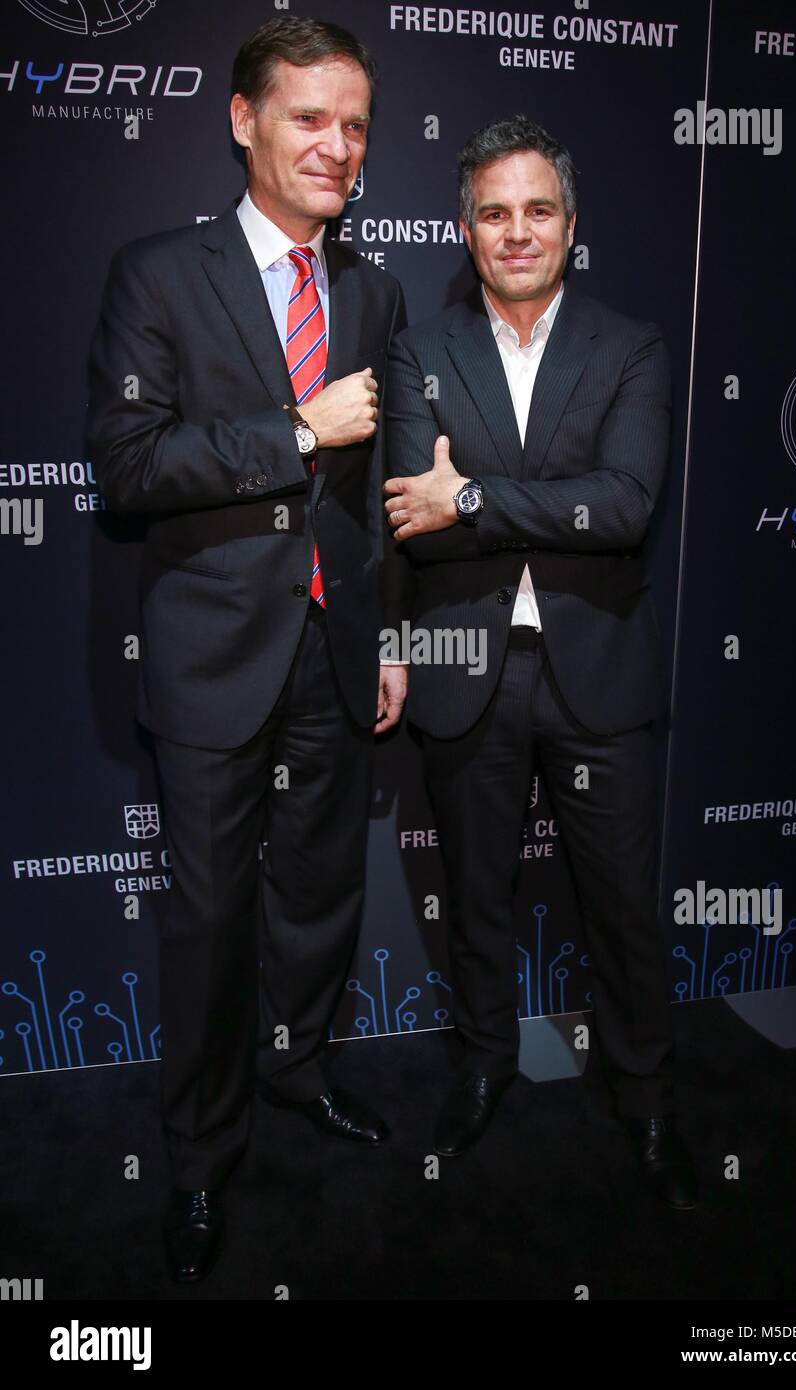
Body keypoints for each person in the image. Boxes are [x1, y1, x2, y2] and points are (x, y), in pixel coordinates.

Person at [86, 15, 409, 1282]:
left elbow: (372, 485)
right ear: (242, 120)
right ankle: (201, 1157)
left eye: (355, 128)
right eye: (309, 119)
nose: (337, 148)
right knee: (210, 925)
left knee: (320, 897)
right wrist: (291, 428)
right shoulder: (158, 272)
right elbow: (124, 469)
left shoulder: (371, 289)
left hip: (334, 652)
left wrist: (382, 636)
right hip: (214, 661)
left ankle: (297, 1067)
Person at [383, 114, 697, 1210]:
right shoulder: (423, 349)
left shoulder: (633, 346)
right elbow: (403, 517)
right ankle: (481, 1066)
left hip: (596, 669)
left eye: (538, 209)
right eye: (493, 213)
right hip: (464, 659)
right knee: (475, 898)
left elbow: (620, 507)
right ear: (465, 231)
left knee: (619, 904)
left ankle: (645, 1094)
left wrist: (468, 494)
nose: (517, 231)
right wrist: (472, 515)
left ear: (570, 223)